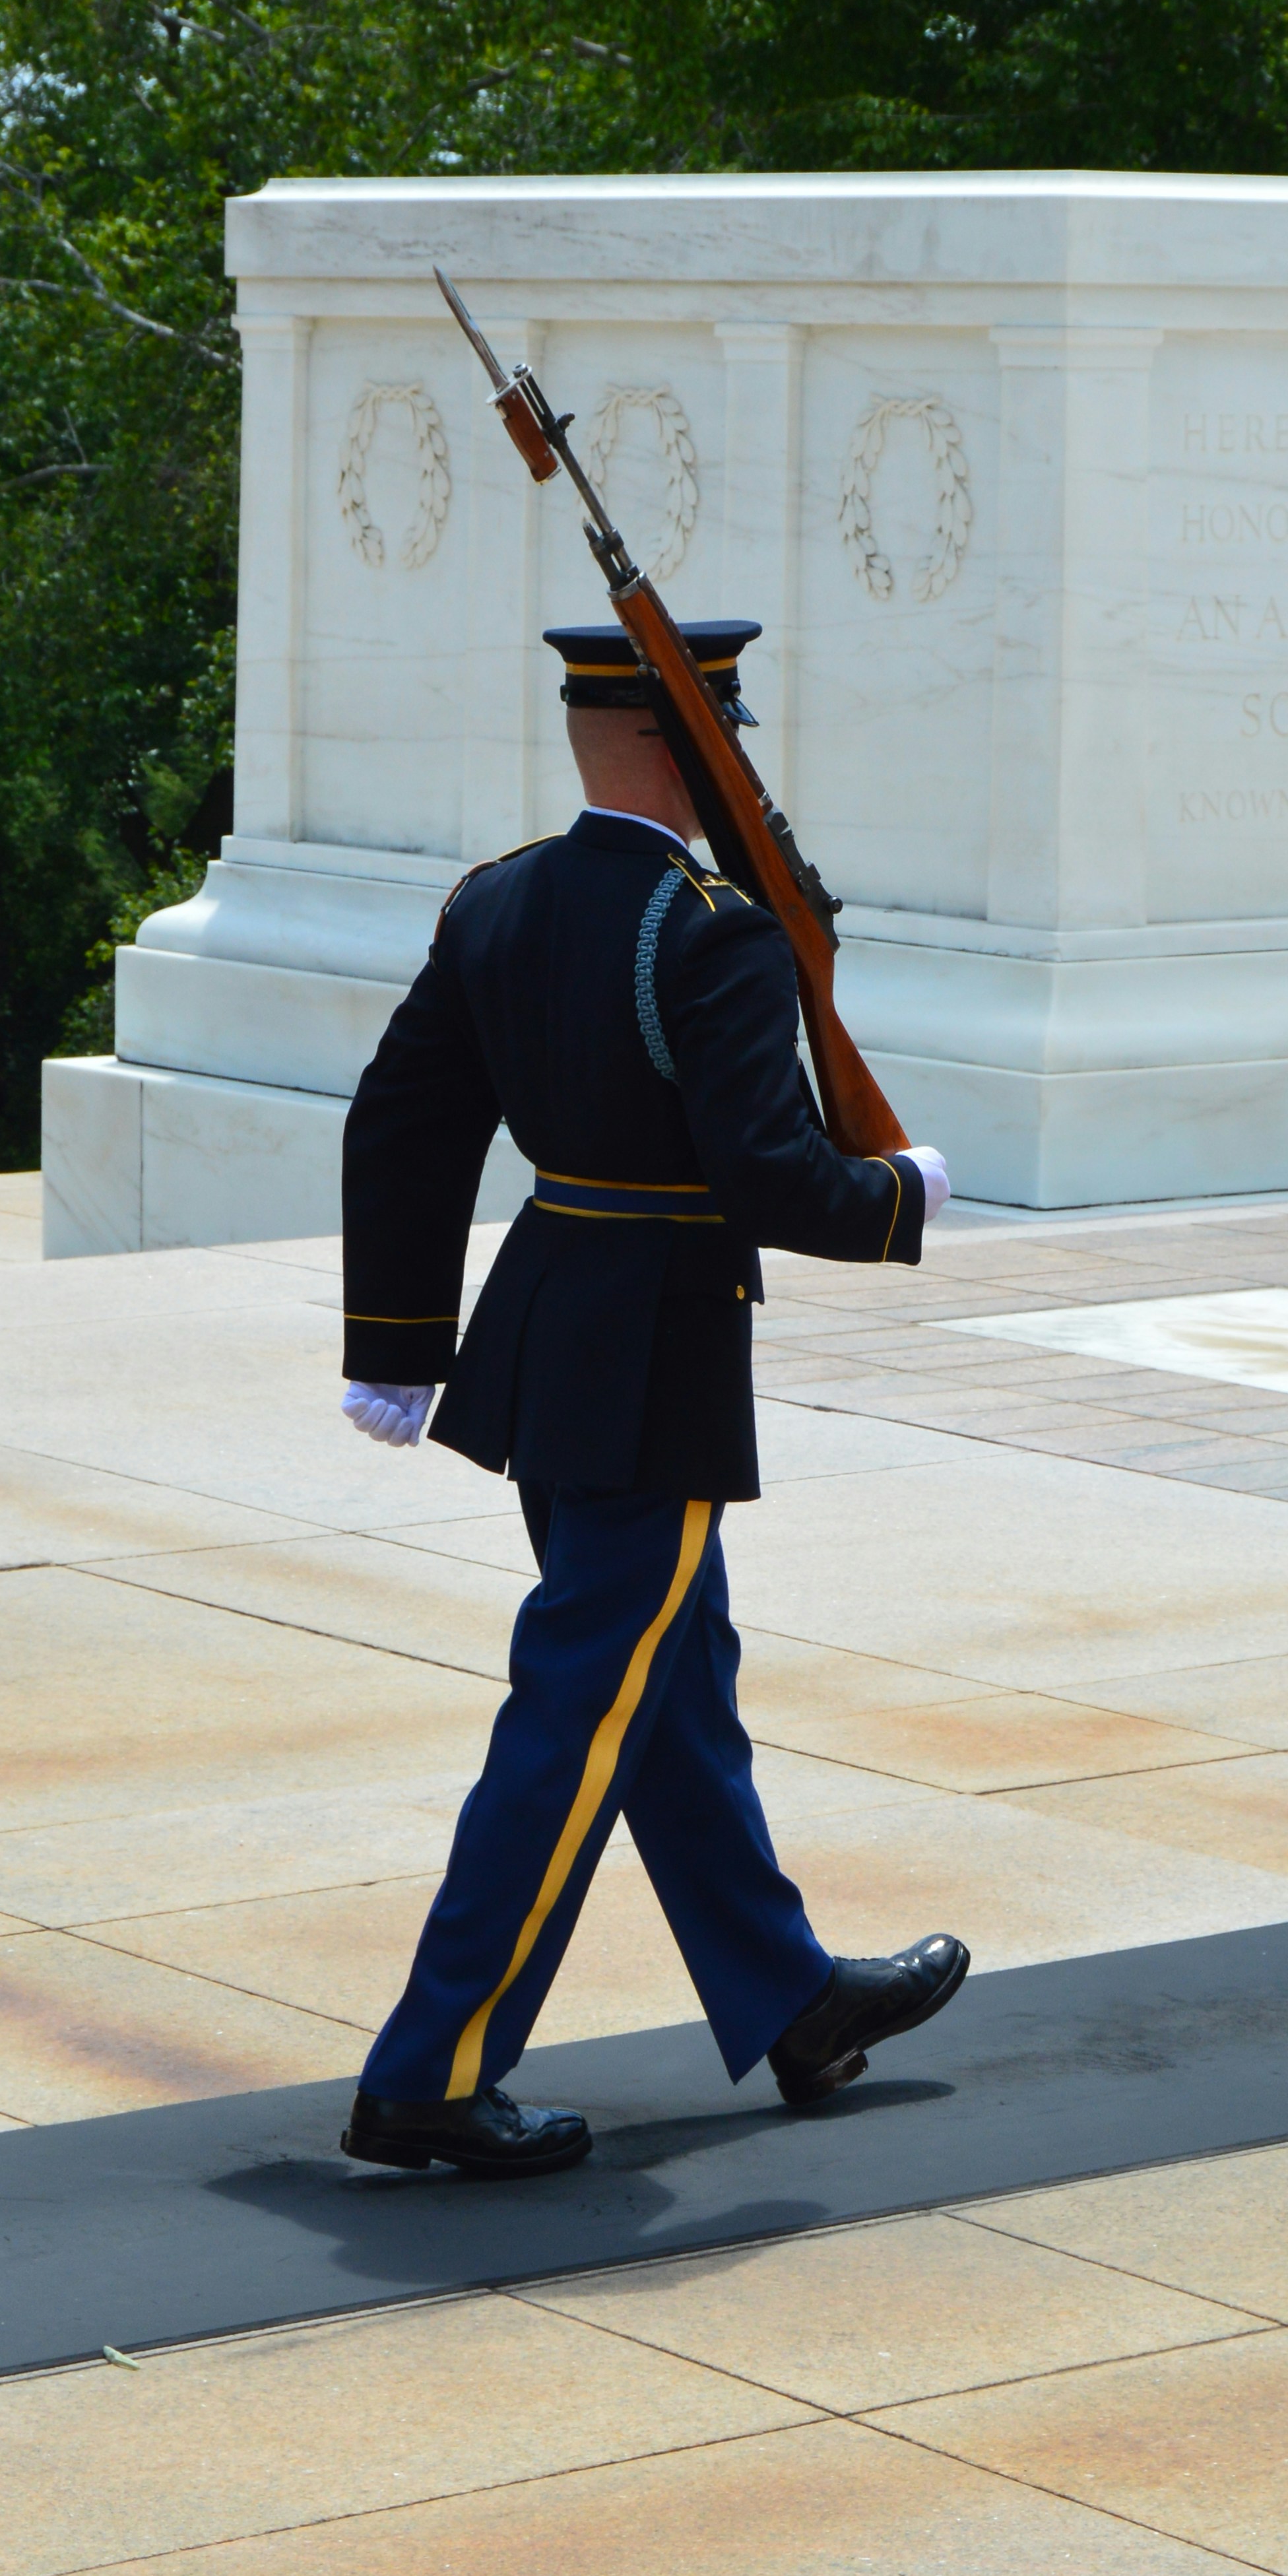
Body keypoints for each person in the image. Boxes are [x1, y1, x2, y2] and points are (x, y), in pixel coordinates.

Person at [334, 616, 967, 2177]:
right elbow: (770, 1176)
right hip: (659, 1350)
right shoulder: (706, 929)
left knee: (672, 1674)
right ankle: (433, 2063)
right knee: (580, 1706)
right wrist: (892, 1189)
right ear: (694, 744)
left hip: (550, 1320)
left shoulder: (500, 899)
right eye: (728, 733)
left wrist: (397, 1338)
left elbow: (405, 1116)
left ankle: (793, 1997)